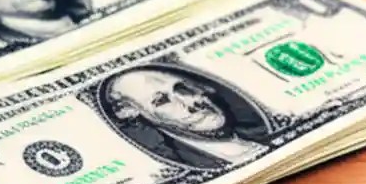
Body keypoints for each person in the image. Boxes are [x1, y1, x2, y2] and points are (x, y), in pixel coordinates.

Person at [103, 67, 269, 169]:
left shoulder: (258, 127)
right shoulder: (180, 159)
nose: (190, 104)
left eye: (183, 88)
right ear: (128, 111)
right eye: (161, 100)